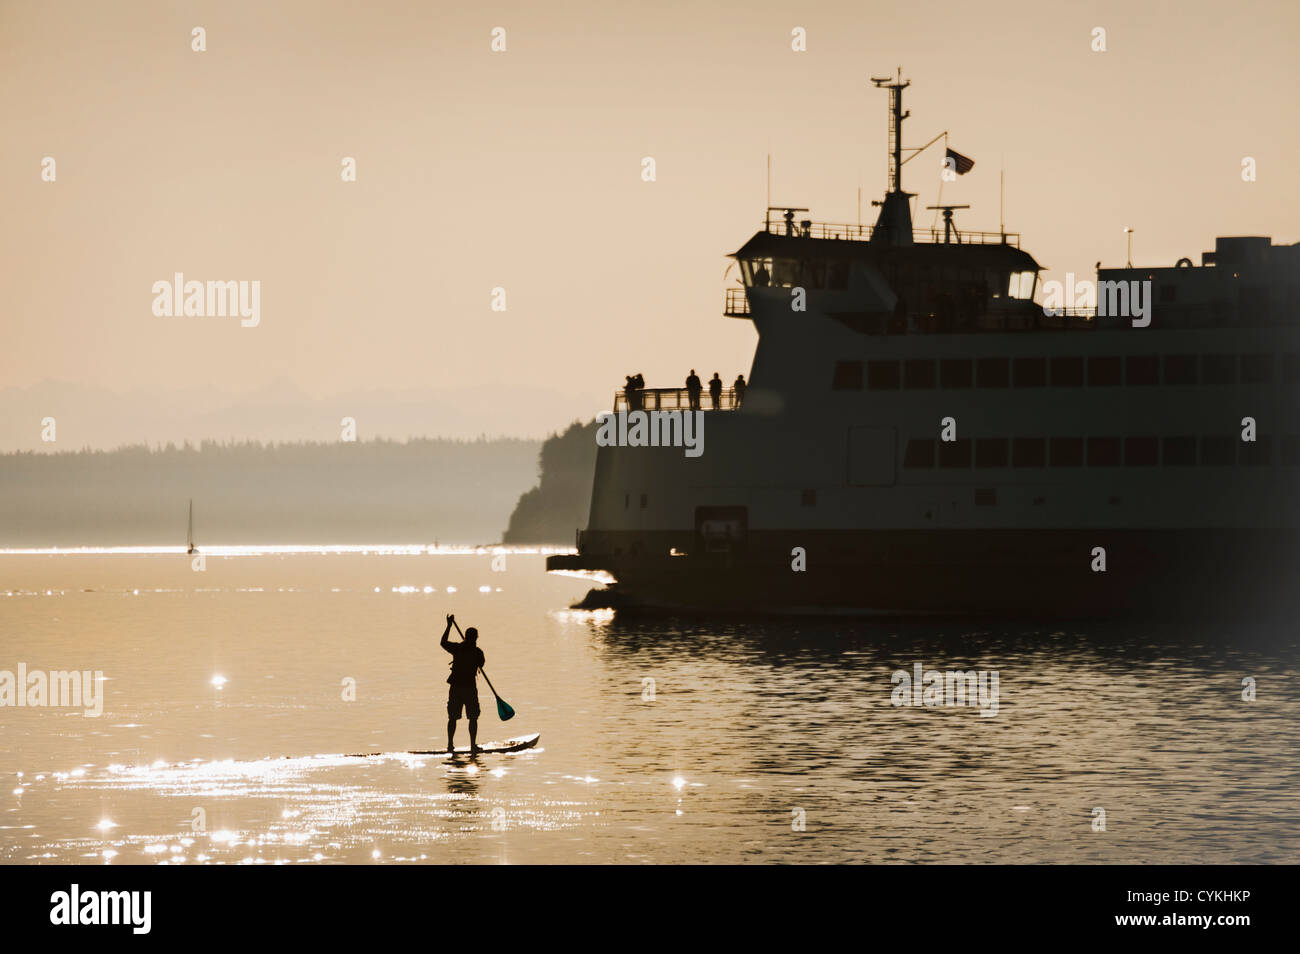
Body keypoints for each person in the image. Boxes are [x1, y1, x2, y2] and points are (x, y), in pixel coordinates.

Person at [440, 614, 485, 753]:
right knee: (472, 717)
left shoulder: (459, 648)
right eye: (475, 637)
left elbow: (443, 642)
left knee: (454, 717)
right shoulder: (477, 652)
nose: (476, 639)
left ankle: (450, 745)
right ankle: (471, 746)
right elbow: (481, 665)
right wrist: (449, 625)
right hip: (468, 689)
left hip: (457, 688)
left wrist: (448, 626)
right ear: (475, 638)